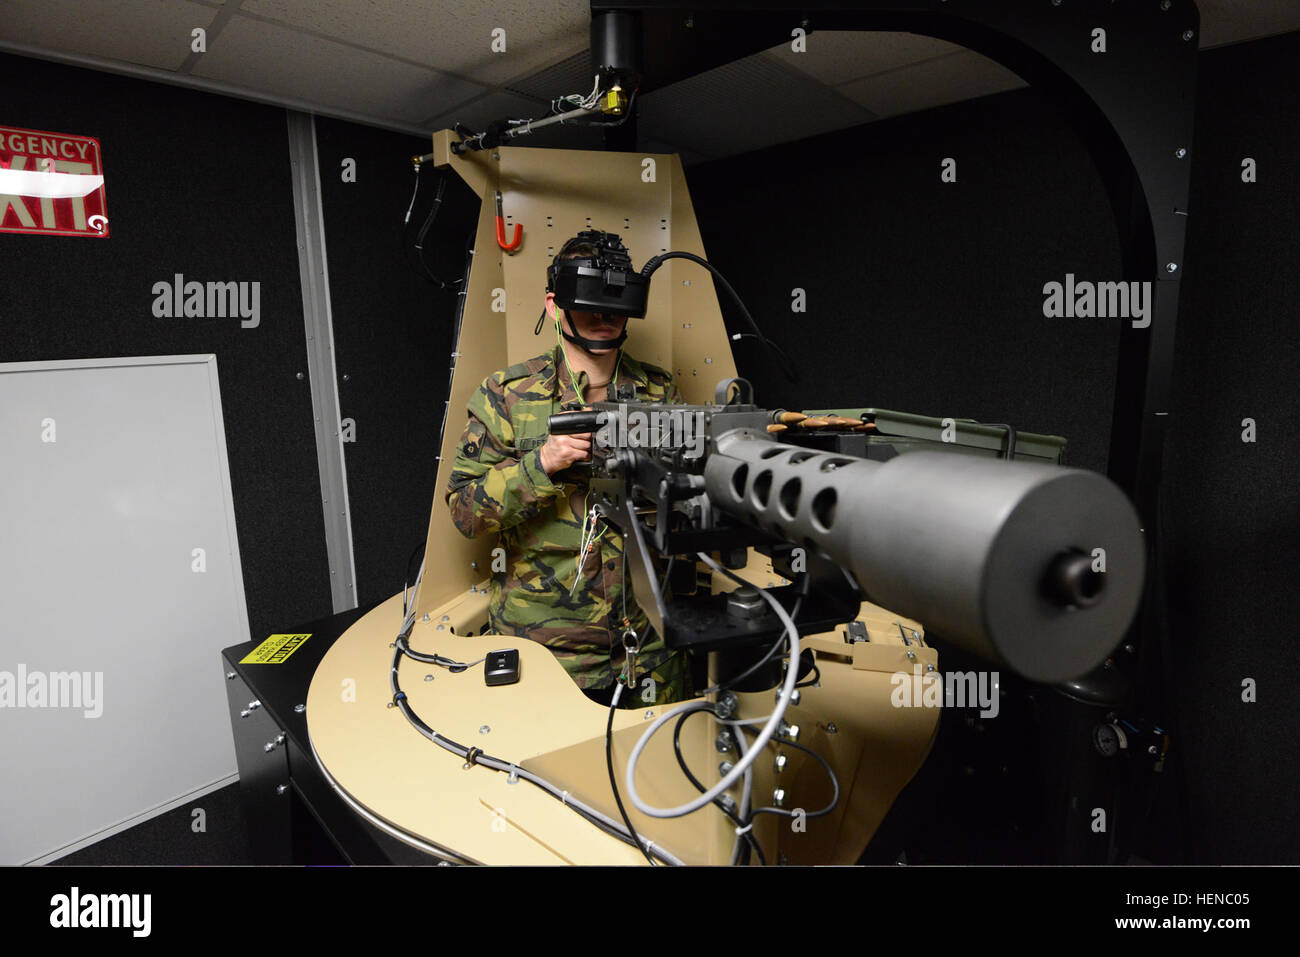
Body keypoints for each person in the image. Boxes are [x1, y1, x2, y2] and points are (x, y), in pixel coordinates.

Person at [445, 232, 692, 707]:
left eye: (615, 302)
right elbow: (464, 513)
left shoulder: (659, 392)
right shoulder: (508, 394)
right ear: (556, 305)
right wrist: (543, 464)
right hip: (548, 657)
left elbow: (688, 502)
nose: (604, 318)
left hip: (650, 647)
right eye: (590, 303)